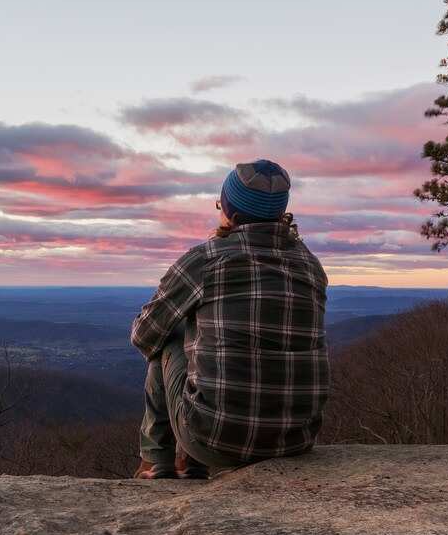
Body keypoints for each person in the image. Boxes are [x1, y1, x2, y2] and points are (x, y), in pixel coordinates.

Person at [130, 159, 328, 479]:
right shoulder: (310, 265)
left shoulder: (205, 259)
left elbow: (144, 334)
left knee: (169, 333)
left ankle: (156, 462)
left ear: (231, 215)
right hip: (295, 440)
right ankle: (184, 464)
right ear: (281, 213)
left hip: (213, 442)